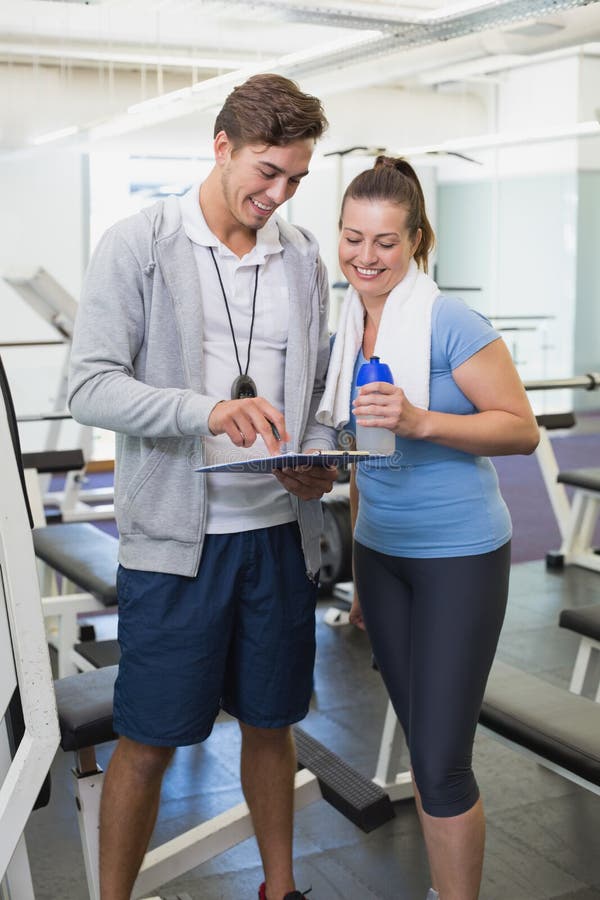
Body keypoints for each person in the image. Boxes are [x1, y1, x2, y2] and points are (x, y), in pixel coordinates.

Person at [68, 73, 338, 900]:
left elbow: (318, 398)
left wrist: (316, 460)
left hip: (274, 539)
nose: (278, 193)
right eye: (267, 171)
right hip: (176, 546)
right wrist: (205, 412)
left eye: (295, 178)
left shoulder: (303, 260)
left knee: (272, 724)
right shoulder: (139, 243)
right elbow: (88, 387)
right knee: (148, 738)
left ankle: (279, 888)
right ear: (221, 146)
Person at [317, 156, 540, 900]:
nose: (366, 257)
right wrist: (357, 576)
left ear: (415, 240)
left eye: (385, 241)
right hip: (384, 558)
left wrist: (421, 420)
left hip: (458, 557)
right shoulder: (351, 324)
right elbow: (361, 454)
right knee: (422, 743)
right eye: (353, 238)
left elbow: (521, 431)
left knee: (442, 765)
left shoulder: (450, 321)